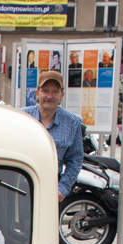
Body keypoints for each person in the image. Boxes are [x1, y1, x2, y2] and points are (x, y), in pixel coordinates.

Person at [24, 70, 83, 204]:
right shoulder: (23, 118)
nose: (49, 96)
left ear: (61, 95)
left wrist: (62, 188)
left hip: (52, 188)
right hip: (23, 184)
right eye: (45, 90)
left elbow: (76, 159)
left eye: (55, 92)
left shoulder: (72, 123)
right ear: (37, 93)